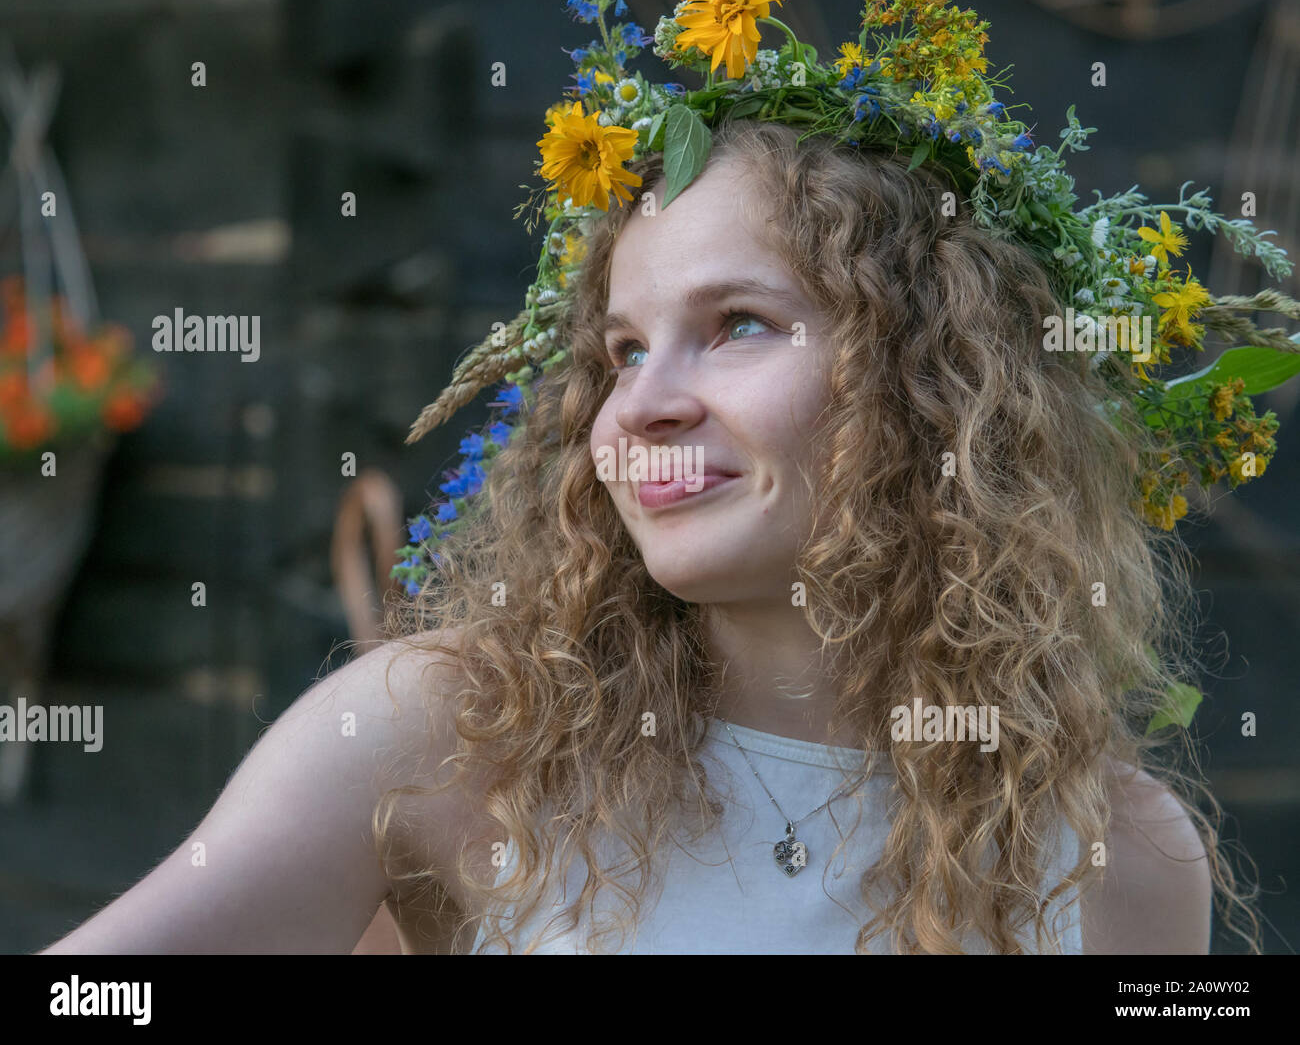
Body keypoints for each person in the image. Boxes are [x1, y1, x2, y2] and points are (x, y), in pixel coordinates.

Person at [41, 117, 1254, 954]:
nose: (642, 403)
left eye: (736, 325)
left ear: (935, 385)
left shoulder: (1123, 854)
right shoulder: (452, 732)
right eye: (624, 350)